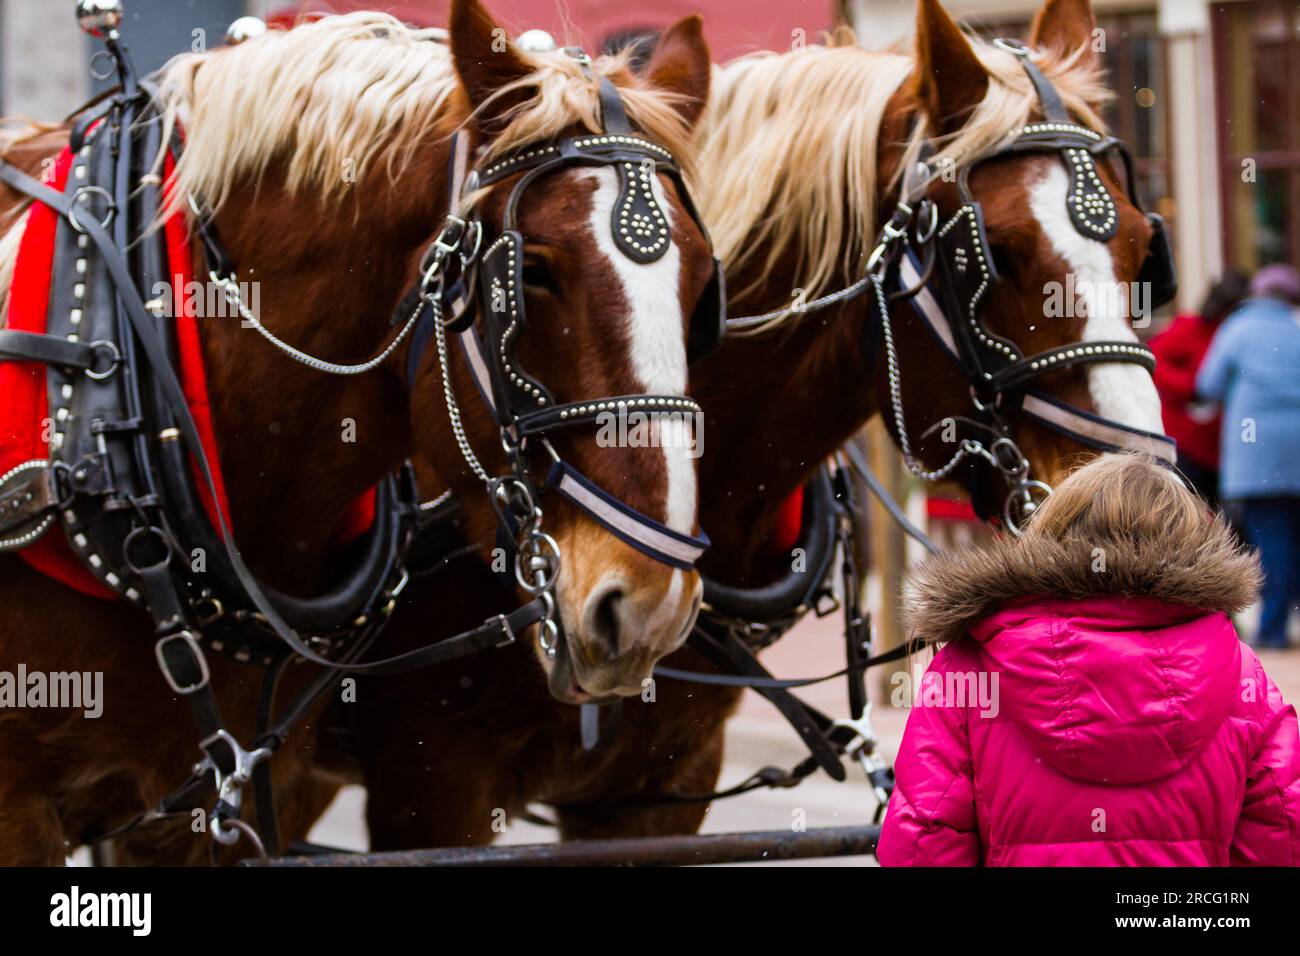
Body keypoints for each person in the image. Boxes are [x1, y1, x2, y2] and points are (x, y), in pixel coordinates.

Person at [877, 454, 1300, 866]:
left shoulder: (969, 668)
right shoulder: (1243, 676)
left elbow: (921, 842)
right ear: (1193, 545)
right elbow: (1281, 834)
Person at [1197, 264, 1300, 649]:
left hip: (1256, 458)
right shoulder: (1296, 327)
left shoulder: (1237, 329)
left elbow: (1208, 385)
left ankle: (1272, 632)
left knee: (1271, 540)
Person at [1150, 271, 1250, 505]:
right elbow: (1154, 360)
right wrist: (1190, 387)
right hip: (1187, 442)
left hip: (1225, 445)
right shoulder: (1190, 328)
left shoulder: (1239, 334)